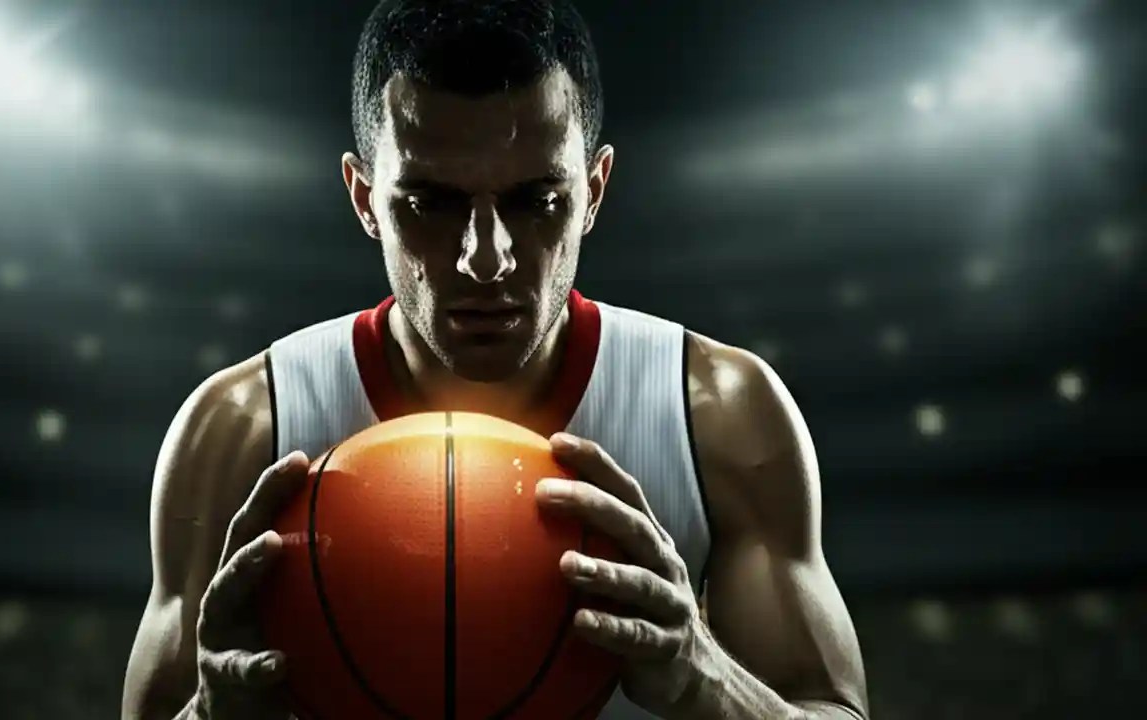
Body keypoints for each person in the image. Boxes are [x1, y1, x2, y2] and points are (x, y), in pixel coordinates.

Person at [121, 1, 869, 718]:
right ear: (363, 198)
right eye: (430, 204)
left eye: (537, 200)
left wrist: (701, 677)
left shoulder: (717, 412)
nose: (487, 258)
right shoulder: (243, 427)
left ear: (594, 191)